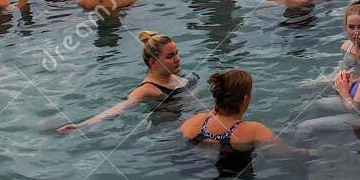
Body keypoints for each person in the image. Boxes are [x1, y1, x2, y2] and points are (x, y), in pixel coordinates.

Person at [57, 31, 196, 133]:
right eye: (170, 56)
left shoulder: (175, 76)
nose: (177, 59)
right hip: (169, 130)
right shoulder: (148, 89)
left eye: (177, 53)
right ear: (153, 62)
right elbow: (118, 109)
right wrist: (81, 126)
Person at [181, 70, 276, 152]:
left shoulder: (196, 121)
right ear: (245, 99)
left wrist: (216, 107)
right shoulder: (254, 131)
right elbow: (285, 153)